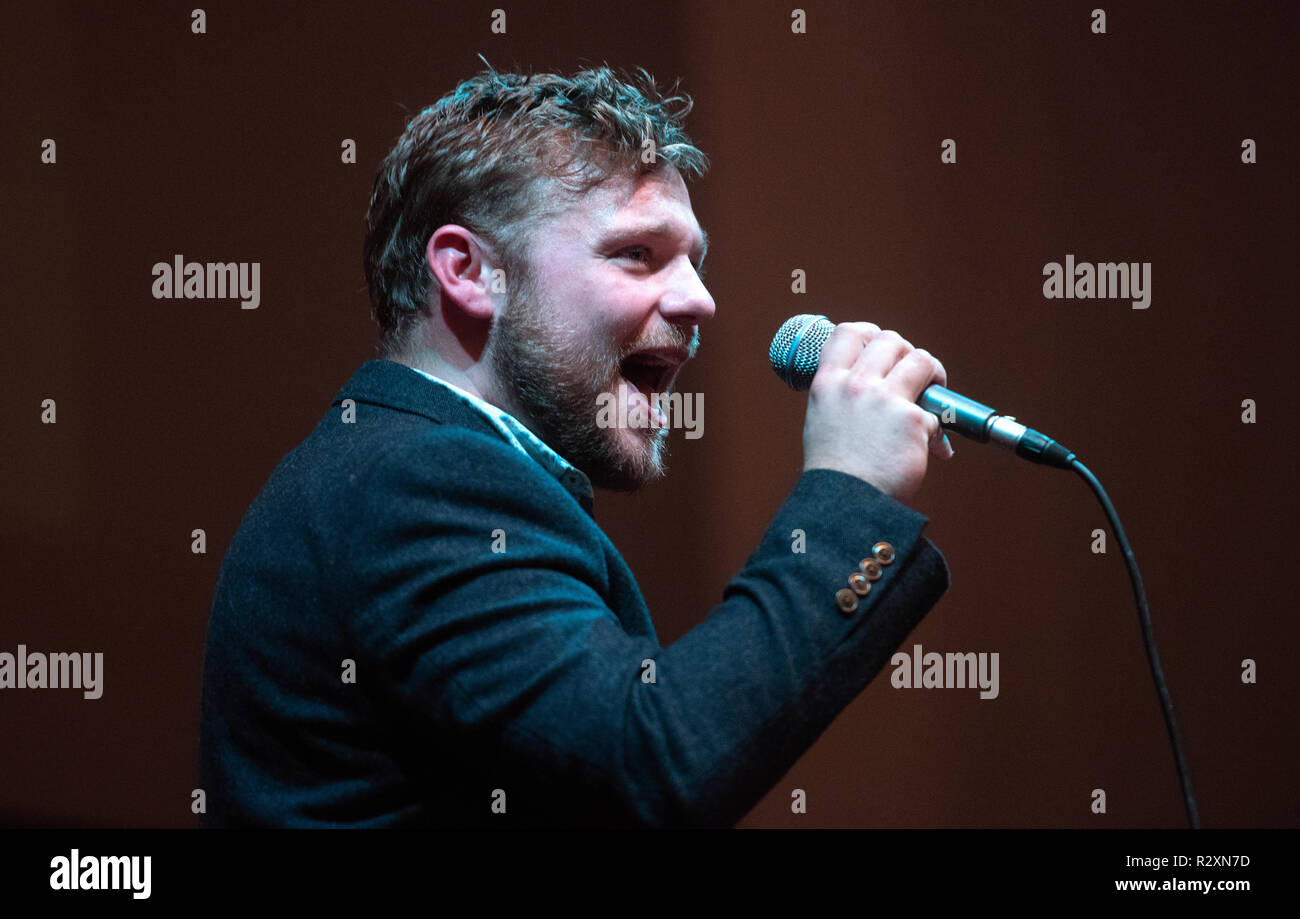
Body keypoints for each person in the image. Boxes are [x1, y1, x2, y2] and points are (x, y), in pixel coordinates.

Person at [199, 64, 953, 827]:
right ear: (468, 271)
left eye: (694, 258)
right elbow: (650, 759)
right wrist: (849, 493)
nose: (700, 298)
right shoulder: (416, 479)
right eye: (637, 252)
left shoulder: (404, 464)